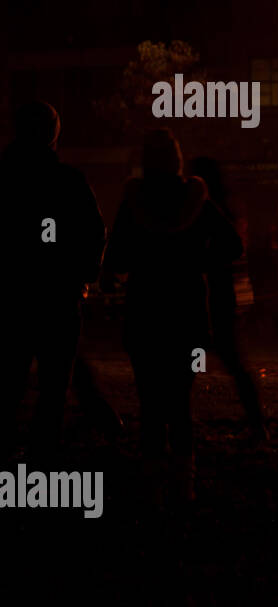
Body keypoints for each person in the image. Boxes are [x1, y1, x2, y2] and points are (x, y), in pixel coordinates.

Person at [104, 130, 243, 503]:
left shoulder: (134, 201)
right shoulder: (196, 199)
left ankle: (151, 476)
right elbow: (233, 244)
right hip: (187, 311)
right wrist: (198, 261)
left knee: (149, 398)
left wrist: (138, 260)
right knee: (181, 398)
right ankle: (183, 481)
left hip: (145, 310)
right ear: (178, 160)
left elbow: (115, 257)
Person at [0, 101, 106, 458]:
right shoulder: (68, 181)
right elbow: (94, 233)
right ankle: (42, 462)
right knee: (54, 389)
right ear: (53, 135)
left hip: (10, 299)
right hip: (58, 300)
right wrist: (82, 274)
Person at [189, 157, 267, 442]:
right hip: (224, 295)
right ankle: (257, 422)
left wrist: (201, 263)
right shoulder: (226, 207)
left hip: (214, 295)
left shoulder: (209, 208)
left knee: (213, 359)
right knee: (233, 362)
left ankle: (175, 422)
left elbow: (229, 248)